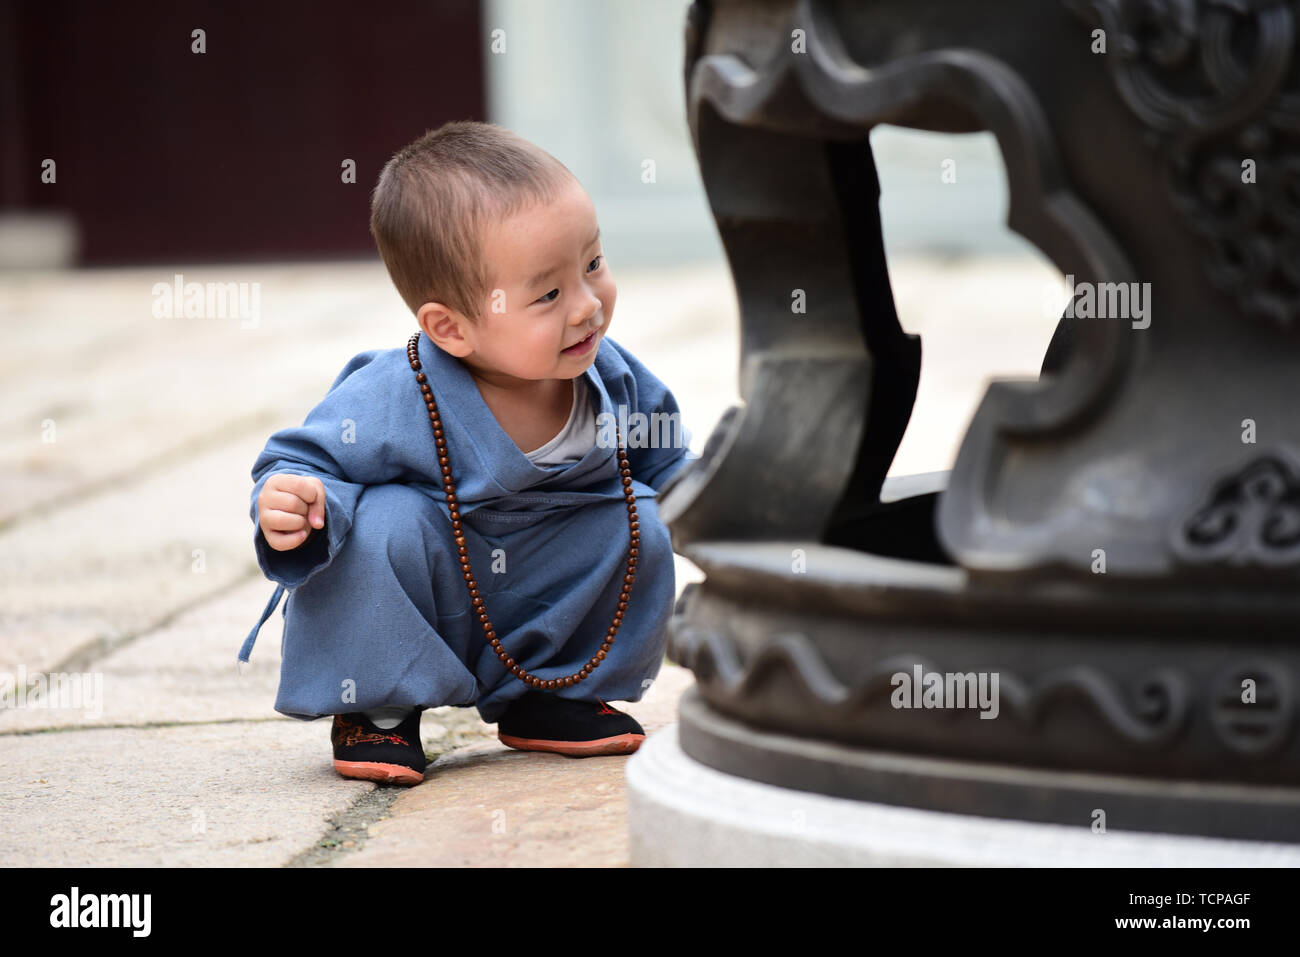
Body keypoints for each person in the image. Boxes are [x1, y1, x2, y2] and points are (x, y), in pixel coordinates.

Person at [237, 121, 696, 785]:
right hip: (440, 591)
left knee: (637, 514)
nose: (588, 305)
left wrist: (718, 505)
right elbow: (306, 463)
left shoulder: (612, 378)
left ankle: (556, 695)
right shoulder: (401, 390)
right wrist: (293, 501)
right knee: (384, 523)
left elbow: (667, 460)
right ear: (450, 328)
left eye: (592, 264)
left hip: (548, 594)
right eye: (548, 293)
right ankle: (382, 706)